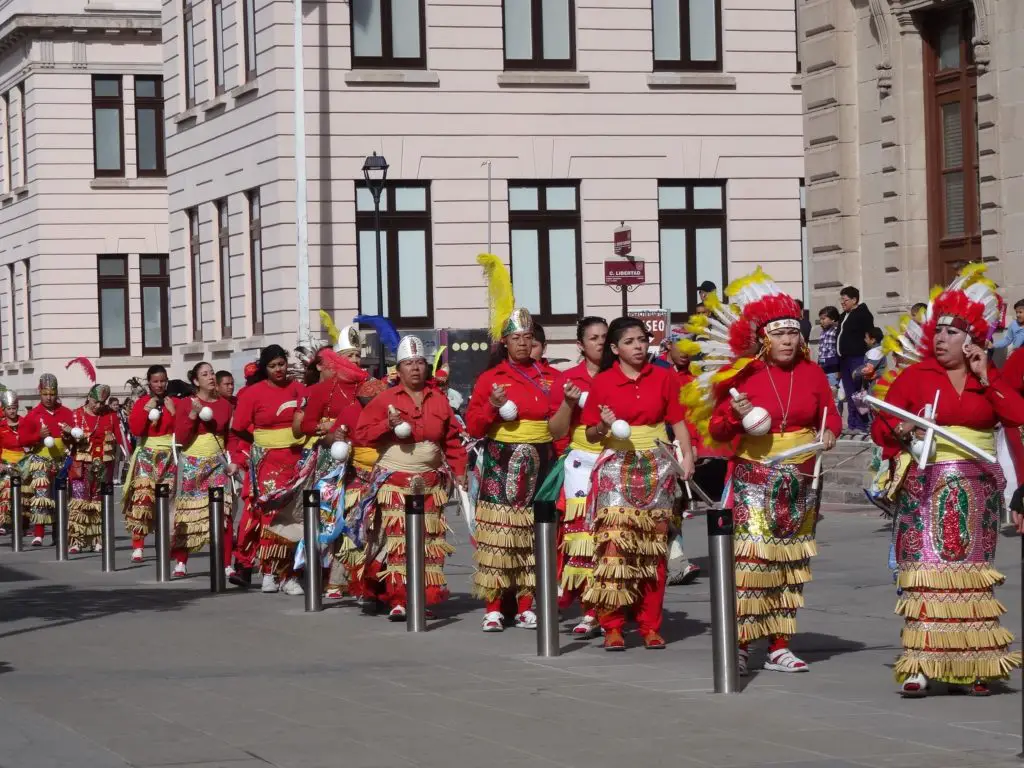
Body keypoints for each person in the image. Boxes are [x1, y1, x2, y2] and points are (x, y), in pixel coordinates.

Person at [871, 265, 1024, 697]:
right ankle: (920, 663)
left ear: (972, 340)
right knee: (927, 574)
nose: (940, 340)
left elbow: (1015, 415)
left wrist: (985, 376)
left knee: (970, 577)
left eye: (951, 334)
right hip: (926, 485)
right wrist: (901, 433)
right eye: (937, 333)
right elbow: (884, 424)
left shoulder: (987, 377)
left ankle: (977, 664)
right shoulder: (916, 376)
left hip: (976, 488)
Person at [686, 268, 840, 675]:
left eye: (793, 333)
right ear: (763, 338)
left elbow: (831, 416)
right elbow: (717, 430)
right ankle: (739, 643)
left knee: (790, 563)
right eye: (779, 334)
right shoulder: (743, 375)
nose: (788, 341)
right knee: (753, 564)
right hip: (755, 477)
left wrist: (829, 434)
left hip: (802, 480)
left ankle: (780, 644)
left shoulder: (813, 374)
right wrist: (735, 418)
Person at [466, 254, 575, 632]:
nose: (524, 343)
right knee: (499, 533)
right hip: (502, 457)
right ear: (505, 341)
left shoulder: (551, 376)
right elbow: (474, 424)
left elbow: (561, 423)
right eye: (517, 337)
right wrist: (493, 409)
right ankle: (494, 606)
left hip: (541, 459)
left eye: (529, 337)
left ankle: (528, 602)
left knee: (533, 532)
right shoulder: (490, 378)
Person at [580, 318, 695, 650]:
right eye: (630, 341)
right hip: (616, 469)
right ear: (615, 349)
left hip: (657, 466)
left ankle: (649, 624)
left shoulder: (665, 376)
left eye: (643, 339)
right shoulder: (602, 383)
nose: (639, 346)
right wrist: (602, 426)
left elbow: (677, 420)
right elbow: (590, 433)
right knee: (614, 548)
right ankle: (612, 624)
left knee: (652, 550)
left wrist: (686, 455)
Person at [352, 335, 468, 620]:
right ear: (399, 369)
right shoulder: (384, 400)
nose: (415, 368)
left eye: (419, 363)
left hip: (430, 481)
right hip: (394, 480)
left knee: (429, 541)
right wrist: (385, 425)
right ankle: (398, 598)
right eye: (409, 363)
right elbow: (361, 435)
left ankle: (422, 596)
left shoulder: (439, 400)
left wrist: (461, 471)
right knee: (398, 541)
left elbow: (452, 440)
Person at [231, 345, 315, 595]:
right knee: (269, 516)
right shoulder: (251, 393)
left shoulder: (300, 390)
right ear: (265, 369)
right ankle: (268, 571)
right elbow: (239, 428)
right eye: (273, 366)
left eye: (282, 364)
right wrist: (263, 441)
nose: (279, 369)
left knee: (294, 517)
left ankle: (289, 575)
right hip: (267, 461)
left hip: (296, 460)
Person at [295, 344, 367, 600]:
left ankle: (352, 576)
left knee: (355, 517)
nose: (356, 361)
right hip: (330, 458)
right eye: (350, 357)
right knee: (328, 516)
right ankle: (324, 577)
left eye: (358, 356)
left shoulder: (367, 388)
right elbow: (305, 425)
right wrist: (330, 430)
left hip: (360, 457)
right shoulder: (323, 389)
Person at [555, 316, 607, 637]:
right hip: (582, 465)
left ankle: (614, 606)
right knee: (584, 538)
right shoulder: (569, 379)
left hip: (617, 462)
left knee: (616, 538)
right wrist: (568, 402)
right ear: (580, 345)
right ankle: (590, 609)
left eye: (604, 336)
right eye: (593, 337)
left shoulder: (622, 376)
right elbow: (557, 431)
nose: (600, 342)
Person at [171, 362, 234, 579]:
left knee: (223, 512)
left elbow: (229, 436)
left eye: (212, 373)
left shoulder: (225, 405)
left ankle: (226, 562)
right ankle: (181, 561)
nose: (210, 377)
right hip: (192, 463)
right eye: (204, 374)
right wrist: (192, 416)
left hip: (217, 462)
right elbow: (180, 438)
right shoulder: (187, 403)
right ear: (196, 381)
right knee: (188, 512)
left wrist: (231, 460)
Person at [123, 365, 177, 562]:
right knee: (142, 499)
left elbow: (181, 429)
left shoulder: (174, 402)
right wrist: (146, 410)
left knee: (168, 501)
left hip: (169, 456)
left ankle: (167, 543)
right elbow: (136, 429)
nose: (160, 384)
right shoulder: (142, 403)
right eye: (155, 381)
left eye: (163, 380)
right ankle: (138, 545)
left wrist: (172, 412)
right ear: (149, 383)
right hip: (147, 455)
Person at [19, 374, 75, 547]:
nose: (49, 397)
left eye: (52, 393)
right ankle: (39, 533)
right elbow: (23, 440)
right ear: (40, 393)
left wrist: (69, 433)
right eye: (45, 394)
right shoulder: (33, 415)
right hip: (41, 459)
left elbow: (74, 438)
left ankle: (58, 534)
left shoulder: (66, 412)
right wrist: (38, 436)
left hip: (61, 460)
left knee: (61, 496)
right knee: (41, 496)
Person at [67, 383, 120, 555]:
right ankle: (76, 540)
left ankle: (97, 539)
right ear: (89, 397)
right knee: (80, 502)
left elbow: (120, 439)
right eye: (96, 402)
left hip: (103, 464)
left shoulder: (111, 416)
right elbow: (67, 442)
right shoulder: (76, 415)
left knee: (98, 503)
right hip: (81, 465)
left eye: (102, 403)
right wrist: (68, 435)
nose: (99, 406)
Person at [837, 286, 874, 432]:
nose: (842, 303)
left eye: (845, 300)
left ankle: (863, 423)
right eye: (841, 300)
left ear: (854, 300)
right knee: (849, 391)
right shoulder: (843, 315)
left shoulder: (863, 314)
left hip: (857, 357)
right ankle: (852, 423)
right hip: (844, 359)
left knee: (859, 391)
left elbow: (869, 335)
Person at [0, 390, 23, 536]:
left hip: (23, 462)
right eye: (9, 408)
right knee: (6, 490)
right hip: (6, 462)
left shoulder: (25, 422)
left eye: (14, 408)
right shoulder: (1, 426)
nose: (12, 411)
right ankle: (3, 522)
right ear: (4, 409)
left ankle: (22, 524)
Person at [816, 306, 841, 402]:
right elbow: (821, 350)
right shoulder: (823, 332)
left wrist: (839, 369)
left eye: (824, 318)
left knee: (834, 394)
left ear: (833, 319)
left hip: (833, 367)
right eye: (820, 319)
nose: (821, 321)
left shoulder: (836, 331)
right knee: (825, 394)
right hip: (823, 366)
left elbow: (837, 350)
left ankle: (837, 413)